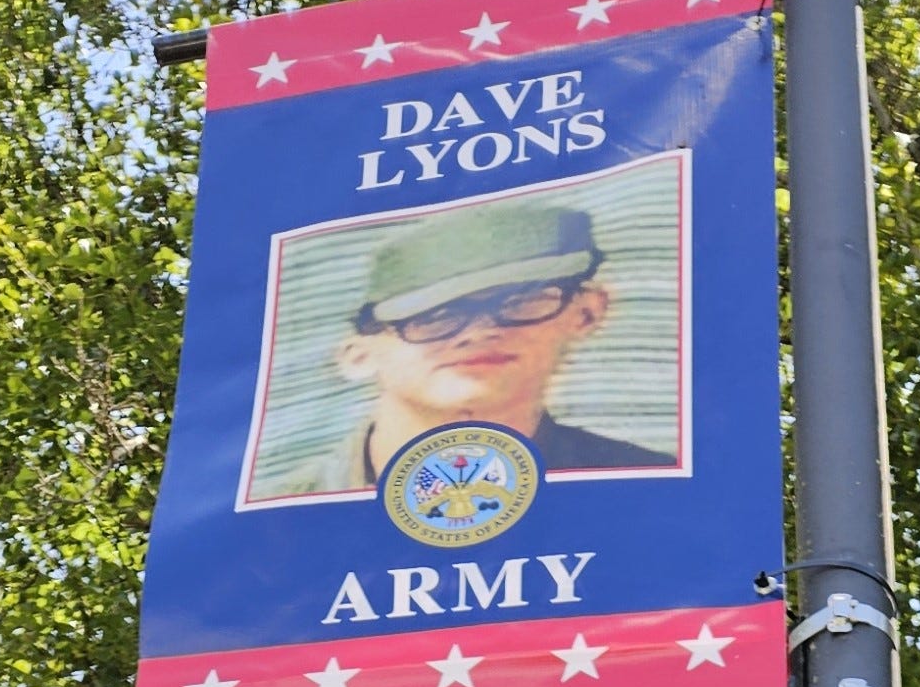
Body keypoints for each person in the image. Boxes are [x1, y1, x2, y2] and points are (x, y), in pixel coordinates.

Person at [259, 199, 678, 497]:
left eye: (521, 301)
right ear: (360, 355)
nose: (479, 333)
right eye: (434, 316)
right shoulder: (280, 518)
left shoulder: (649, 486)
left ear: (585, 313)